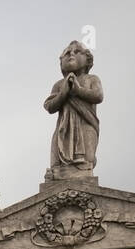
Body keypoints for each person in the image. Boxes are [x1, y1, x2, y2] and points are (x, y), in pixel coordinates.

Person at [44, 41, 103, 180]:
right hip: (63, 129)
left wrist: (78, 90)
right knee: (56, 160)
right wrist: (63, 93)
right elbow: (49, 106)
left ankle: (83, 172)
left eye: (77, 52)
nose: (71, 54)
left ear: (87, 59)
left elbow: (98, 96)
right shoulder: (59, 84)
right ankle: (56, 174)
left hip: (86, 124)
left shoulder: (91, 79)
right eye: (67, 53)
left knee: (86, 158)